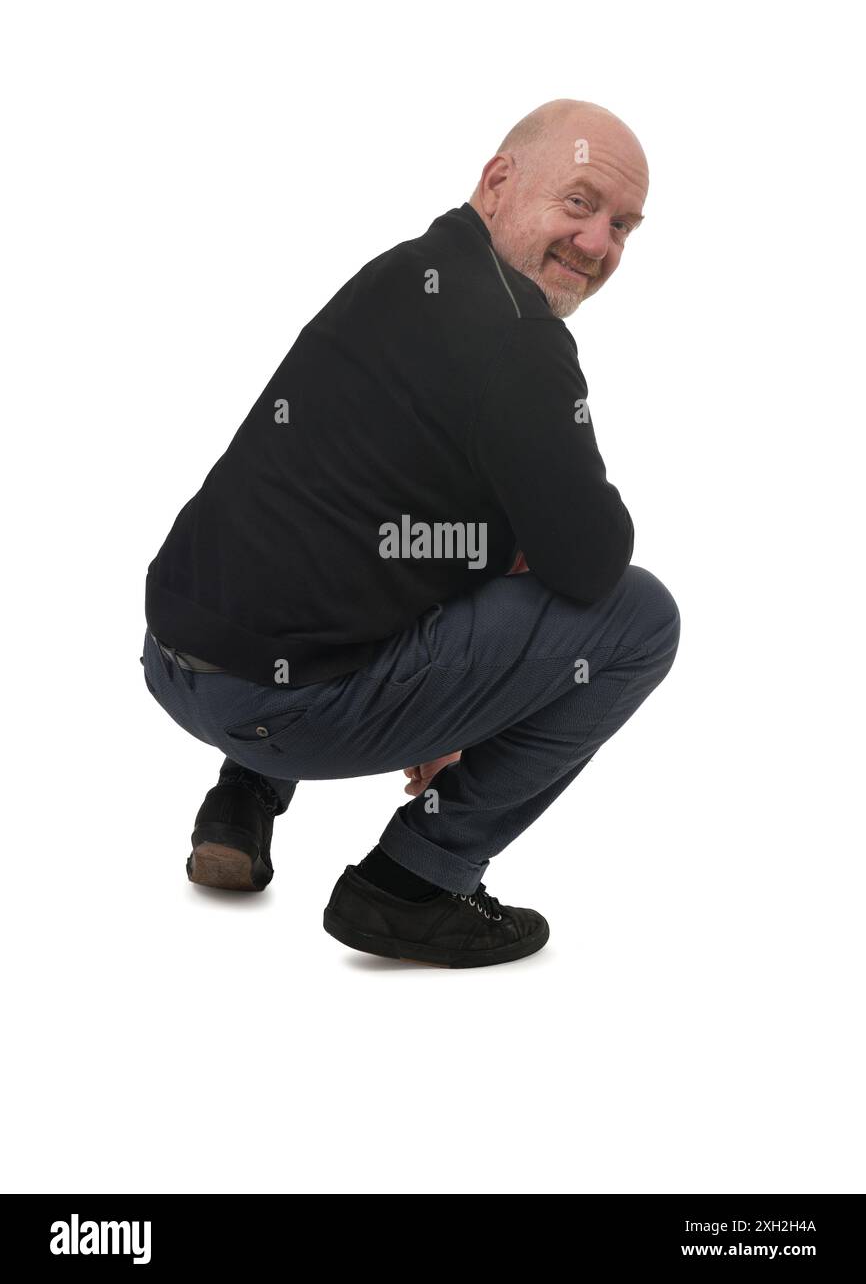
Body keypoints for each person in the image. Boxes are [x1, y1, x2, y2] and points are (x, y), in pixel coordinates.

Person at [142, 97, 680, 968]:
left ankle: (240, 803)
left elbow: (370, 510)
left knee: (377, 529)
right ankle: (416, 882)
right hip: (282, 709)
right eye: (579, 203)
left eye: (624, 226)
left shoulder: (406, 270)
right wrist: (470, 690)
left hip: (170, 659)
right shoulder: (522, 342)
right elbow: (592, 564)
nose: (598, 245)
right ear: (499, 180)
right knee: (641, 619)